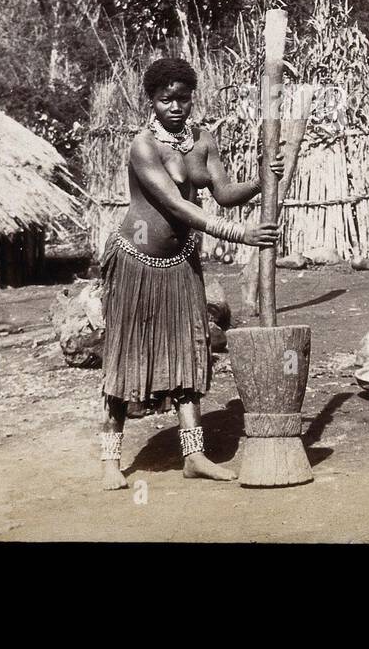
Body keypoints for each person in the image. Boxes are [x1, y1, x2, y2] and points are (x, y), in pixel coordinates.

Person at [98, 57, 281, 489]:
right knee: (127, 358)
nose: (175, 107)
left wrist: (259, 181)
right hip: (136, 265)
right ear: (152, 100)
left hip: (181, 264)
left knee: (188, 354)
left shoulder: (203, 140)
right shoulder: (143, 147)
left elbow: (223, 192)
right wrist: (240, 235)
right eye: (166, 100)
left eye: (183, 98)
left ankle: (194, 455)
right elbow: (178, 206)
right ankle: (110, 459)